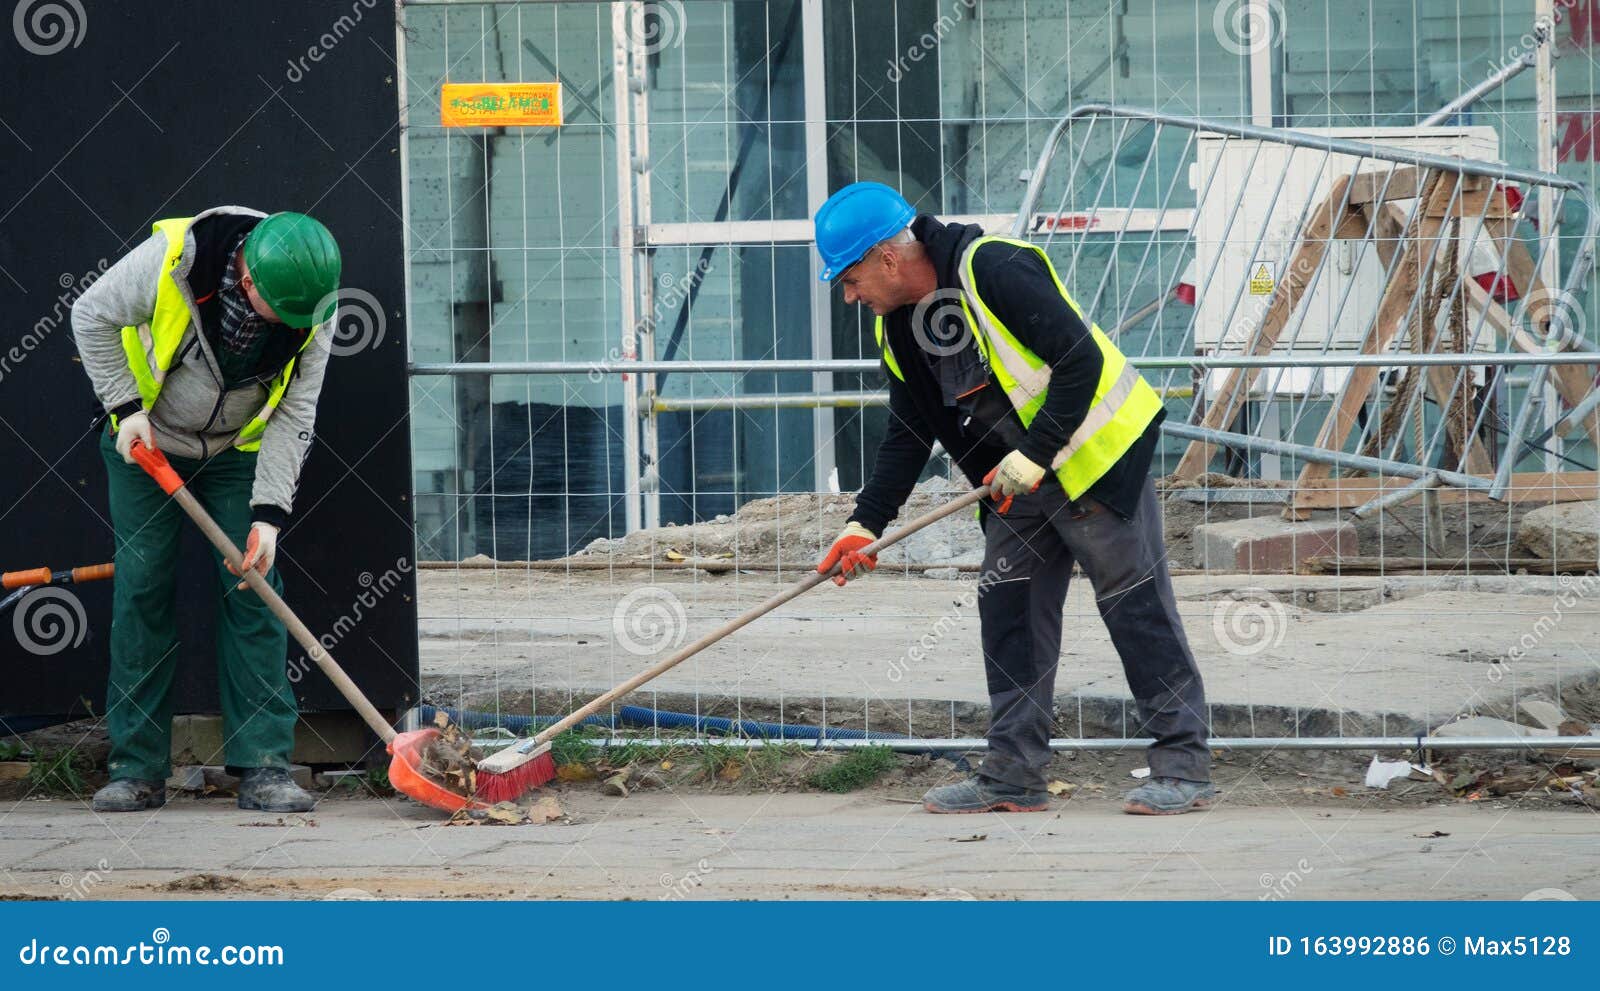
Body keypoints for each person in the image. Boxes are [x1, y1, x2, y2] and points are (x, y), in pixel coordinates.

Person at [813, 182, 1213, 815]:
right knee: (1010, 618)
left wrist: (1038, 451)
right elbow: (908, 432)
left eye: (851, 277)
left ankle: (1182, 766)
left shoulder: (992, 268)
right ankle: (1012, 776)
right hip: (1015, 485)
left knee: (1136, 612)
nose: (849, 294)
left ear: (888, 258)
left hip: (1095, 462)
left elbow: (1077, 357)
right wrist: (865, 524)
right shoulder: (897, 330)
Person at [71, 208, 341, 813]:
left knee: (254, 584)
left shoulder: (314, 304)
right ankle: (136, 769)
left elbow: (296, 413)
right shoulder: (173, 260)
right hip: (144, 442)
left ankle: (265, 766)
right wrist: (123, 407)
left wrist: (269, 515)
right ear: (248, 282)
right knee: (142, 588)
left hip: (233, 451)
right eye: (285, 316)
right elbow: (88, 313)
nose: (297, 328)